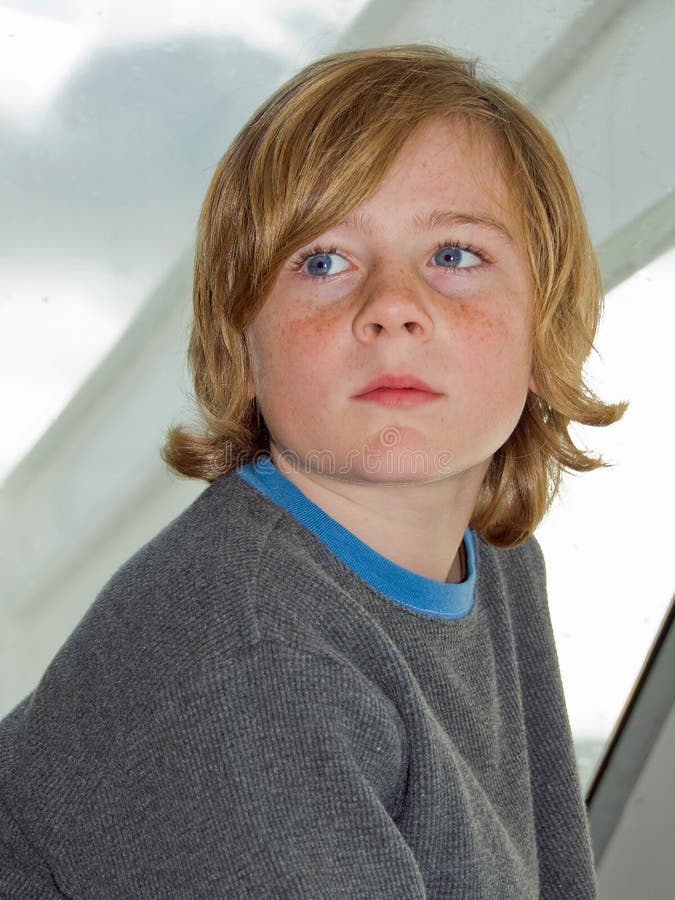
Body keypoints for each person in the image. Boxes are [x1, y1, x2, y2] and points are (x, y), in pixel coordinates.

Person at [0, 45, 626, 898]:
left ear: (544, 322)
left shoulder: (496, 562)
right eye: (323, 262)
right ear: (242, 346)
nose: (392, 308)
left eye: (453, 254)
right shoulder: (253, 649)